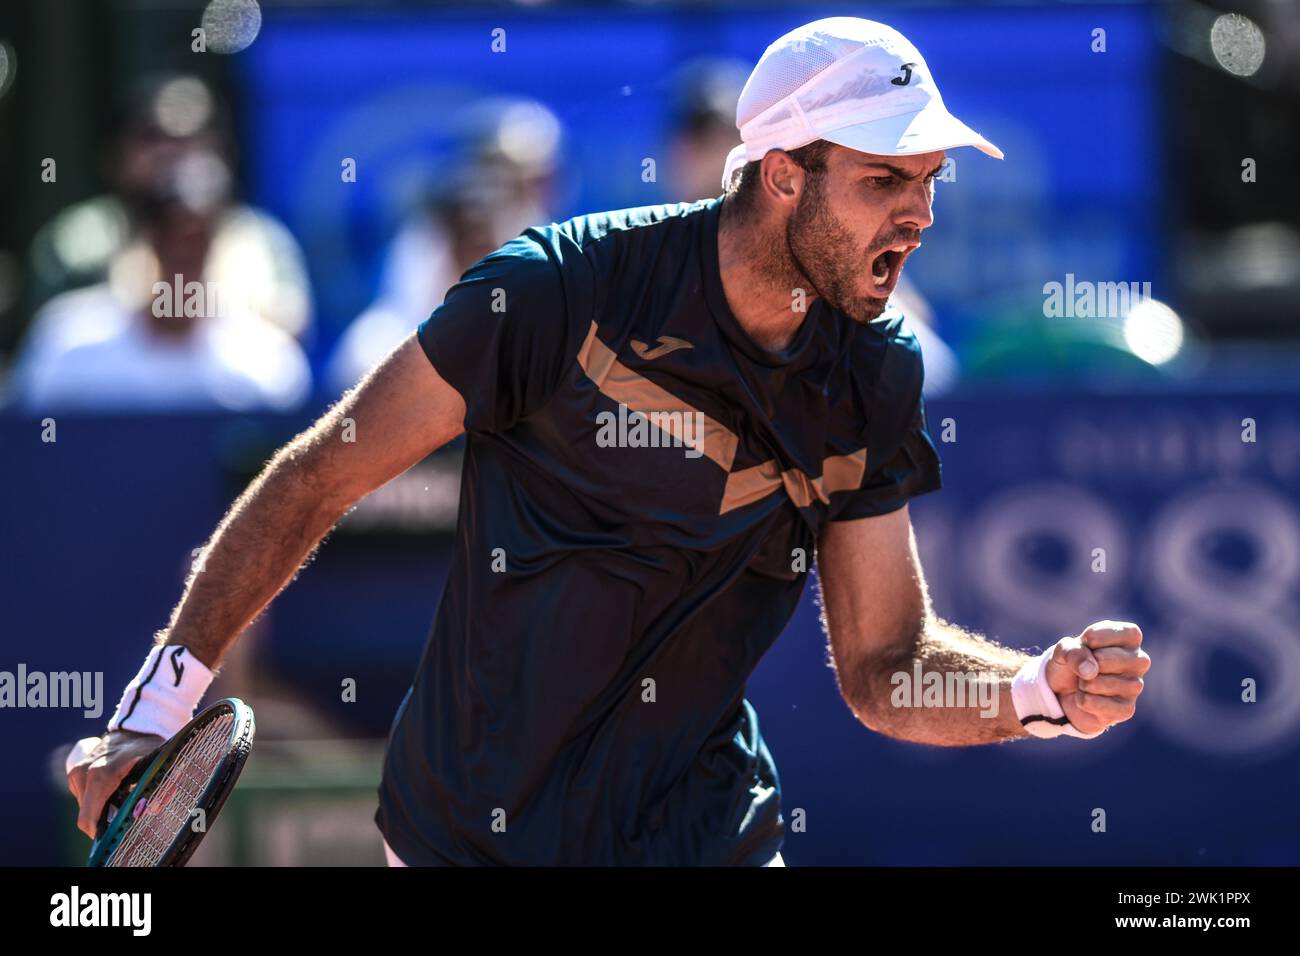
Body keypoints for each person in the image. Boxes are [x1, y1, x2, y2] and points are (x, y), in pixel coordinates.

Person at [67, 18, 1150, 865]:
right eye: (882, 179)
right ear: (781, 172)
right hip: (466, 836)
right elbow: (318, 475)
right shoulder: (556, 288)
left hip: (706, 834)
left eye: (927, 181)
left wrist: (1033, 691)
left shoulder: (874, 371)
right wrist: (152, 710)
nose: (916, 213)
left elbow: (886, 666)